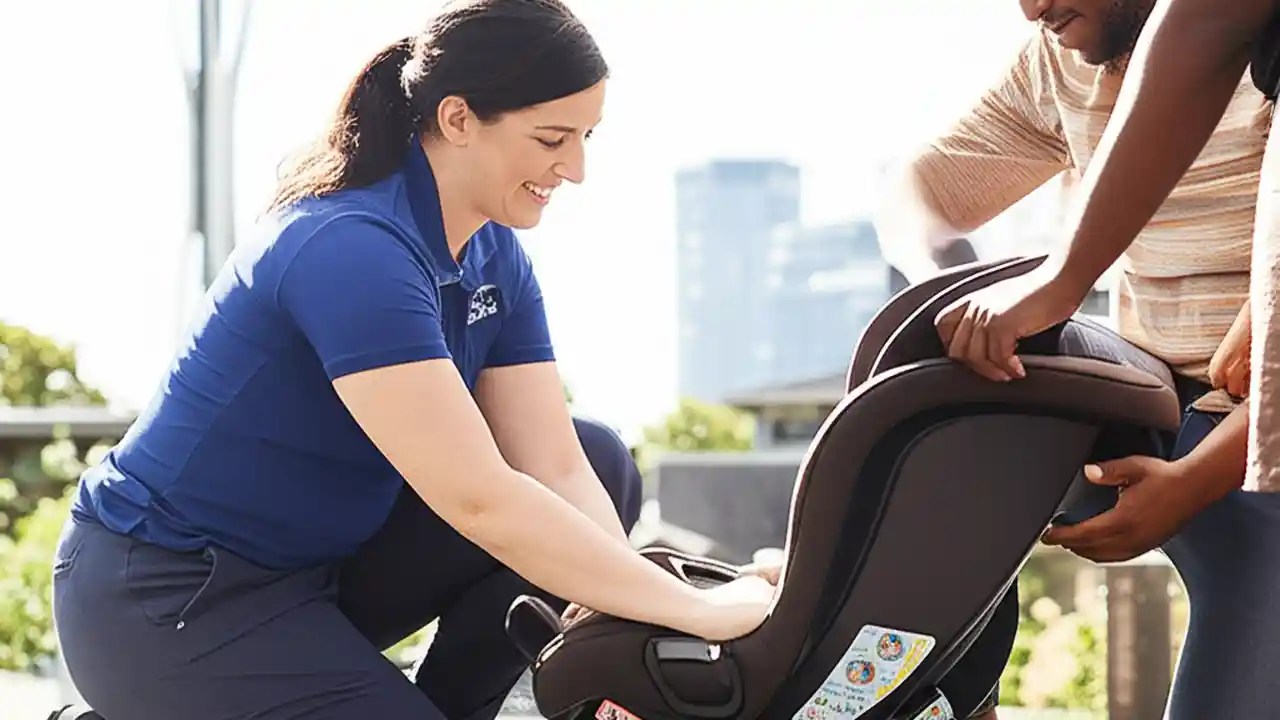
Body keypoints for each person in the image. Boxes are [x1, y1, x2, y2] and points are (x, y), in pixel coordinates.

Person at [49, 3, 776, 719]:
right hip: (169, 597)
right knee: (525, 504)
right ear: (458, 119)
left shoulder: (495, 256)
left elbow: (554, 466)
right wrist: (700, 613)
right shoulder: (349, 248)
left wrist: (637, 623)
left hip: (317, 577)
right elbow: (478, 499)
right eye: (553, 137)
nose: (576, 168)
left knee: (599, 456)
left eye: (587, 136)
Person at [876, 0, 1269, 717]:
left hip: (1253, 437)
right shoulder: (1064, 56)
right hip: (1146, 395)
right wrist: (967, 289)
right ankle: (941, 697)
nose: (1032, 8)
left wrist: (1192, 482)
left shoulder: (1262, 53)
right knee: (939, 365)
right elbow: (918, 188)